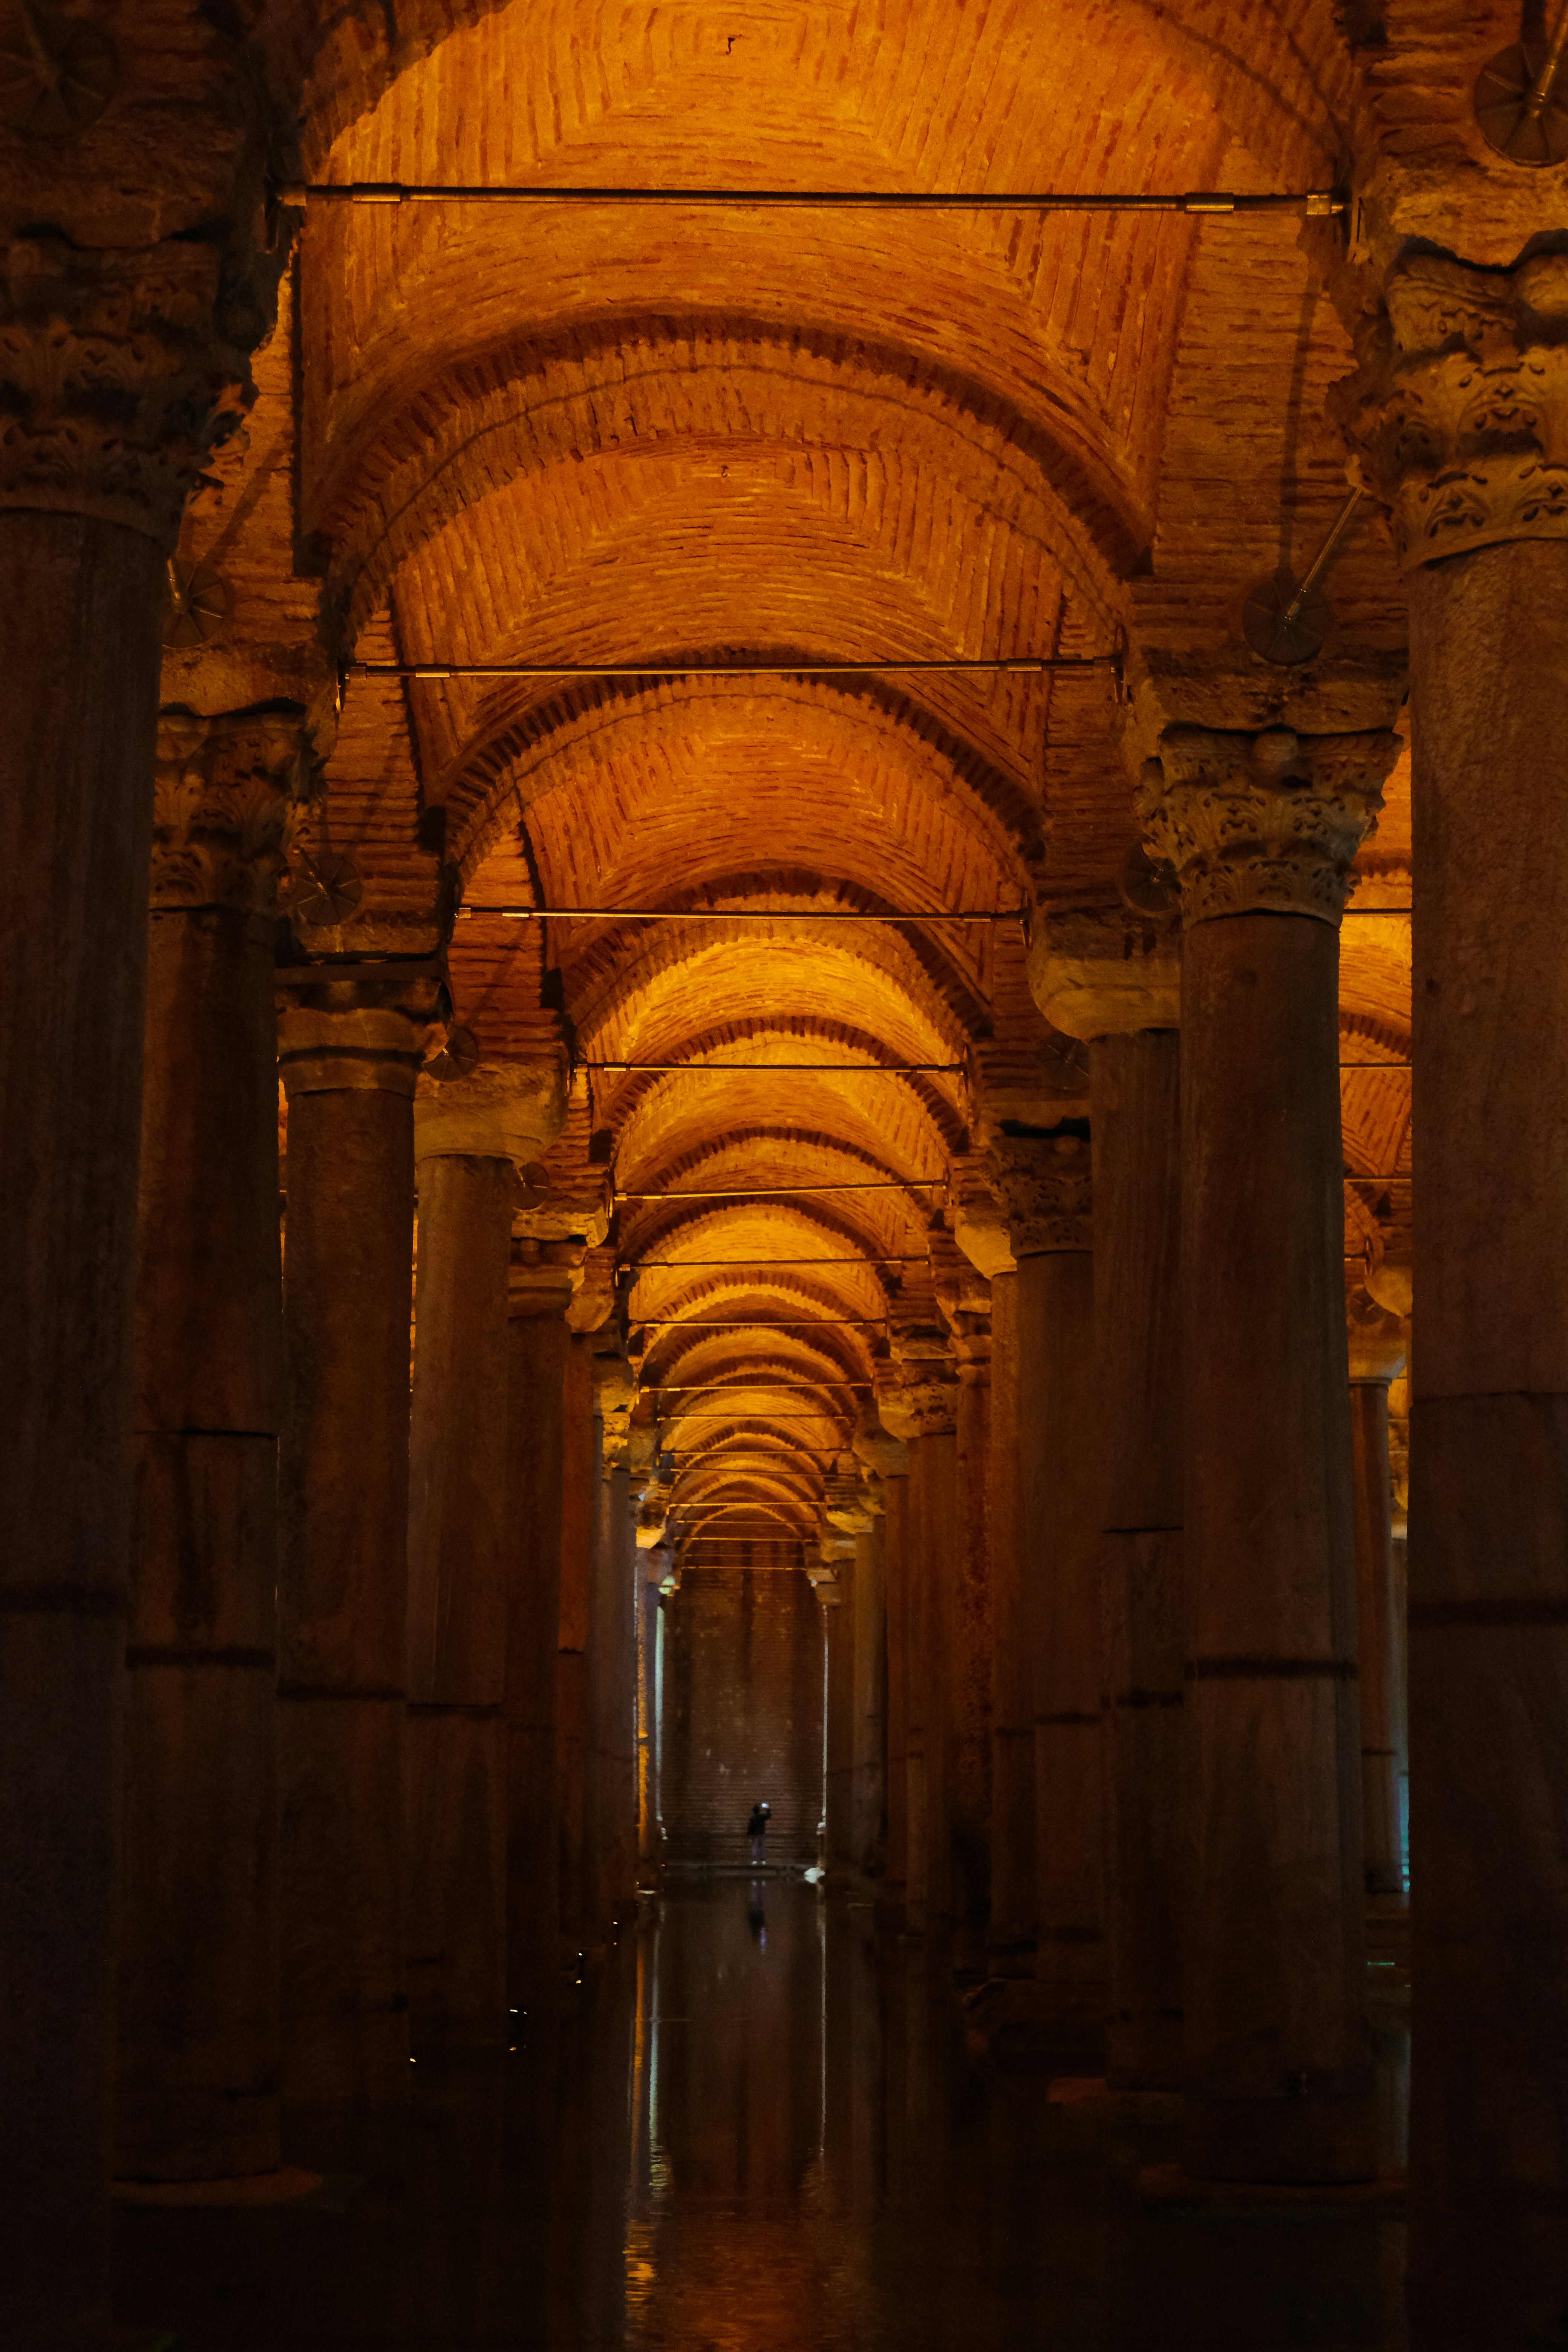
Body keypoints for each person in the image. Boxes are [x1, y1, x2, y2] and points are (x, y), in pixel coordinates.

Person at [746, 1799, 771, 1867]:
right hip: (762, 1834)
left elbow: (750, 1827)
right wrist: (767, 1808)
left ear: (754, 1811)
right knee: (762, 1847)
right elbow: (769, 1816)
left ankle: (755, 1860)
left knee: (755, 1847)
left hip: (755, 1835)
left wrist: (749, 1834)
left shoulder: (752, 1818)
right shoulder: (762, 1817)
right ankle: (763, 1860)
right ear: (759, 1811)